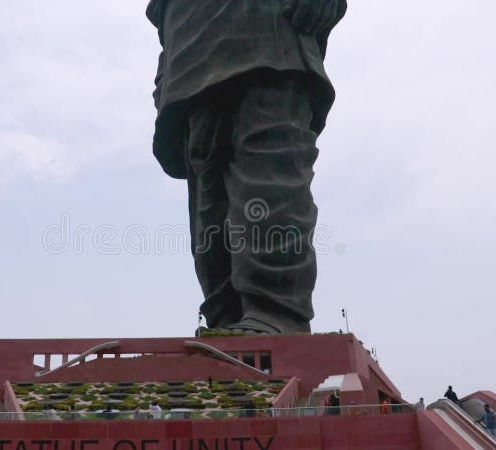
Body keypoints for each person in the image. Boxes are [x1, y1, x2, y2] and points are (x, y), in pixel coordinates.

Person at [146, 0, 347, 334]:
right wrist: (165, 69)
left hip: (269, 35)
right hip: (189, 48)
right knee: (208, 210)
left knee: (269, 180)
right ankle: (227, 318)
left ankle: (275, 311)